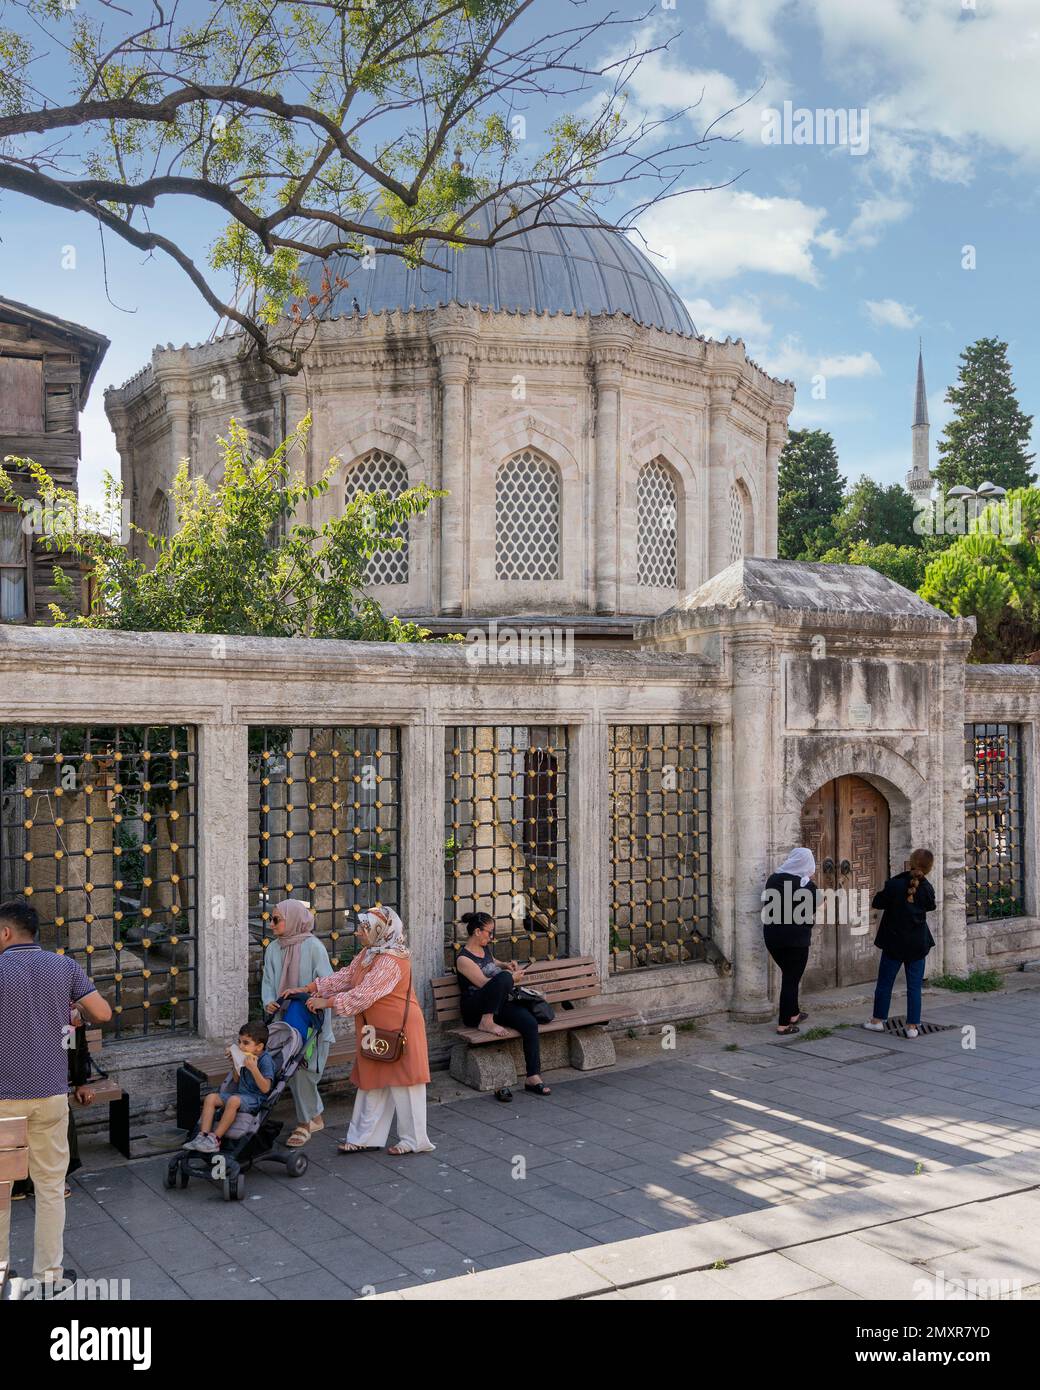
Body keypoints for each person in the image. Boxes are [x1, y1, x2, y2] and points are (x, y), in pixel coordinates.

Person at [0, 898, 112, 1292]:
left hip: (3, 1099)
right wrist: (68, 1010)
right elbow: (102, 1014)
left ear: (6, 932)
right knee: (50, 1187)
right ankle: (48, 1276)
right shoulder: (63, 966)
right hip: (49, 1094)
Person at [303, 905, 435, 1155]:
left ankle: (413, 1141)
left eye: (363, 927)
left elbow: (364, 995)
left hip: (400, 1029)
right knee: (371, 1081)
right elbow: (345, 978)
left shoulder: (391, 960)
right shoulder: (370, 953)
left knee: (406, 1084)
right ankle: (364, 1137)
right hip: (373, 1029)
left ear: (380, 930)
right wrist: (311, 988)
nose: (358, 933)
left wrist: (327, 1002)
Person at [261, 899, 334, 1147]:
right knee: (294, 1069)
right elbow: (269, 981)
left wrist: (306, 995)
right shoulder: (273, 948)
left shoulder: (314, 947)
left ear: (292, 919)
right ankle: (313, 1117)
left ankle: (304, 1126)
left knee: (305, 1070)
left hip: (312, 1021)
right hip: (285, 1022)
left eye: (276, 919)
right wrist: (270, 1001)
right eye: (271, 919)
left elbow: (328, 982)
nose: (271, 924)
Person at [455, 910, 550, 1096]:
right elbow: (484, 984)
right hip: (475, 1009)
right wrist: (510, 978)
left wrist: (504, 965)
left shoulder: (484, 949)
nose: (492, 937)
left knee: (529, 1024)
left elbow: (491, 962)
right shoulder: (463, 959)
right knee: (505, 979)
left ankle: (533, 1076)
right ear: (477, 932)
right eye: (489, 933)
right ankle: (486, 1021)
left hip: (496, 1004)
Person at [12, 1009, 95, 1202]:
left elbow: (74, 1049)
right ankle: (18, 1180)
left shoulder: (66, 1015)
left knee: (56, 1109)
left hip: (50, 1082)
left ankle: (54, 1177)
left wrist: (80, 1082)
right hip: (14, 1079)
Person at [864, 848, 936, 1040]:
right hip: (917, 944)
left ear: (910, 863)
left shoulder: (895, 885)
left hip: (894, 942)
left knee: (885, 983)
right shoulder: (927, 889)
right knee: (914, 986)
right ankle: (912, 1026)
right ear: (928, 868)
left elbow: (878, 902)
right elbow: (930, 905)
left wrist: (899, 879)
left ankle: (878, 1020)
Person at [183, 1020, 274, 1153]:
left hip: (255, 1099)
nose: (241, 1046)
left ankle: (215, 1139)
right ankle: (202, 1136)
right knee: (210, 1098)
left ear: (259, 1047)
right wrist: (235, 1062)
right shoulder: (244, 1055)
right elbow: (236, 1080)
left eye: (246, 1043)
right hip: (240, 1095)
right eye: (240, 1042)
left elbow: (266, 1088)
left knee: (233, 1100)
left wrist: (254, 1069)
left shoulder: (265, 1060)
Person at [761, 848, 817, 1035]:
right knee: (791, 980)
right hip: (796, 940)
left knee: (789, 974)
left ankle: (793, 1013)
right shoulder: (807, 886)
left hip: (773, 938)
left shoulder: (773, 879)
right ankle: (784, 1024)